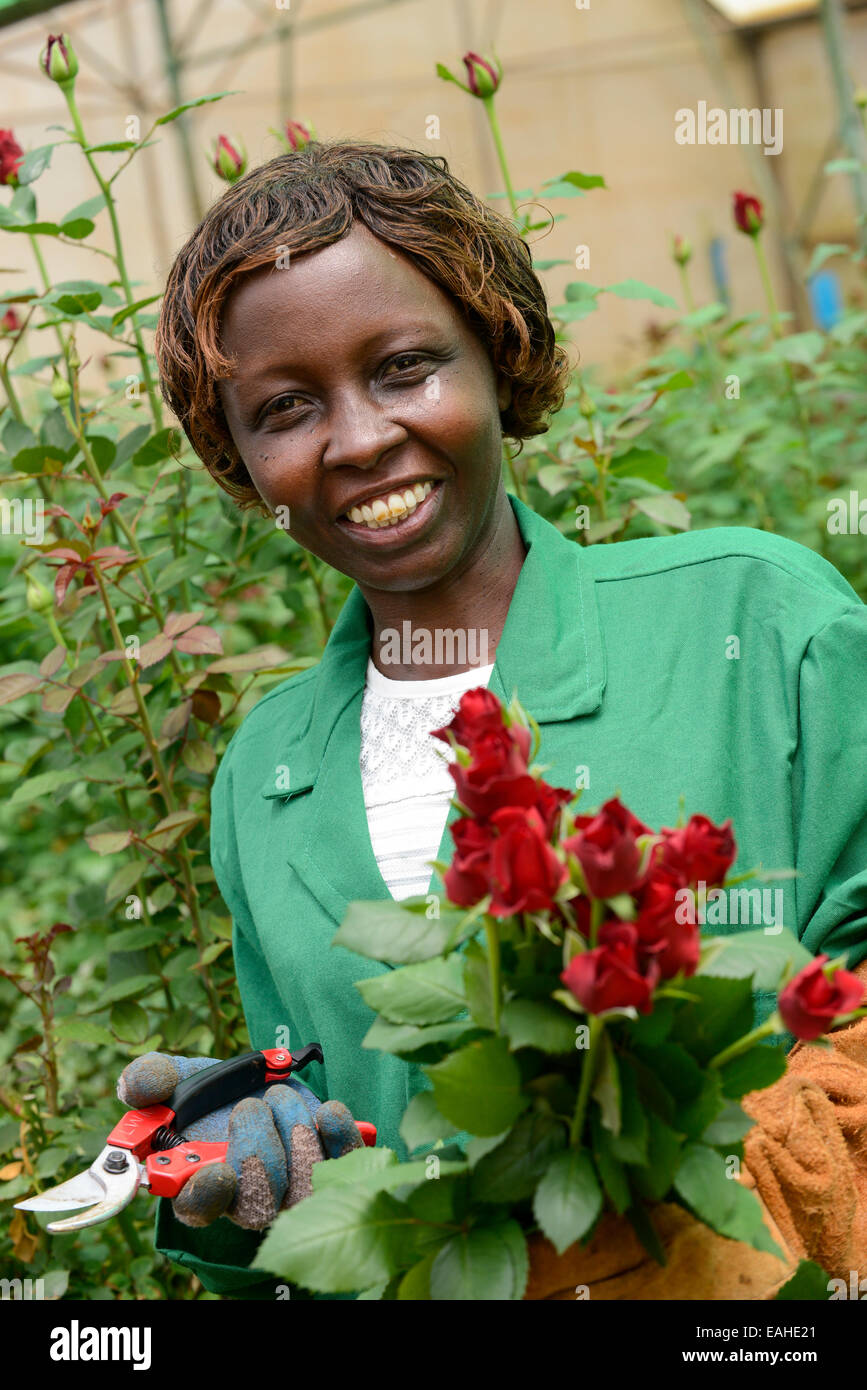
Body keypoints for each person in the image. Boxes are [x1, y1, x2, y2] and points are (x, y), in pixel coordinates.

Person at [117, 141, 867, 1299]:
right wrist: (249, 1187)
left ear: (499, 353)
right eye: (286, 407)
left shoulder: (758, 624)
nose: (360, 439)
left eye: (407, 365)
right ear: (241, 459)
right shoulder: (265, 773)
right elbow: (321, 1190)